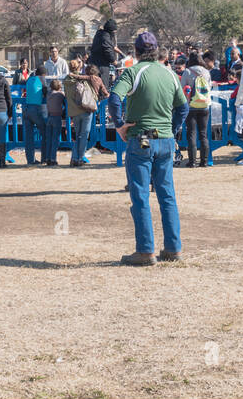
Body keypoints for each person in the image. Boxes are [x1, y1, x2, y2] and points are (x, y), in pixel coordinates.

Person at [108, 31, 187, 266]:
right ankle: (173, 248)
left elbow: (114, 98)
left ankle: (145, 250)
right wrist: (172, 130)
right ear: (156, 50)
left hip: (141, 139)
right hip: (165, 140)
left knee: (141, 196)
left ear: (136, 51)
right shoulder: (170, 74)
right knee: (167, 195)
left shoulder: (134, 71)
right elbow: (183, 107)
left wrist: (120, 126)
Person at [63, 59, 107, 167]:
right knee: (84, 136)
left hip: (74, 111)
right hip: (85, 109)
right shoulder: (84, 79)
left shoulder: (66, 80)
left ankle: (74, 158)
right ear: (79, 68)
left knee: (77, 135)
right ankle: (79, 158)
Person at [20, 64, 48, 166]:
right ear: (44, 74)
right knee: (44, 133)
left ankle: (30, 160)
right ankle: (44, 158)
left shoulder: (29, 79)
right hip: (37, 110)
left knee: (29, 137)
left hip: (26, 109)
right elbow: (45, 91)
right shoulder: (42, 79)